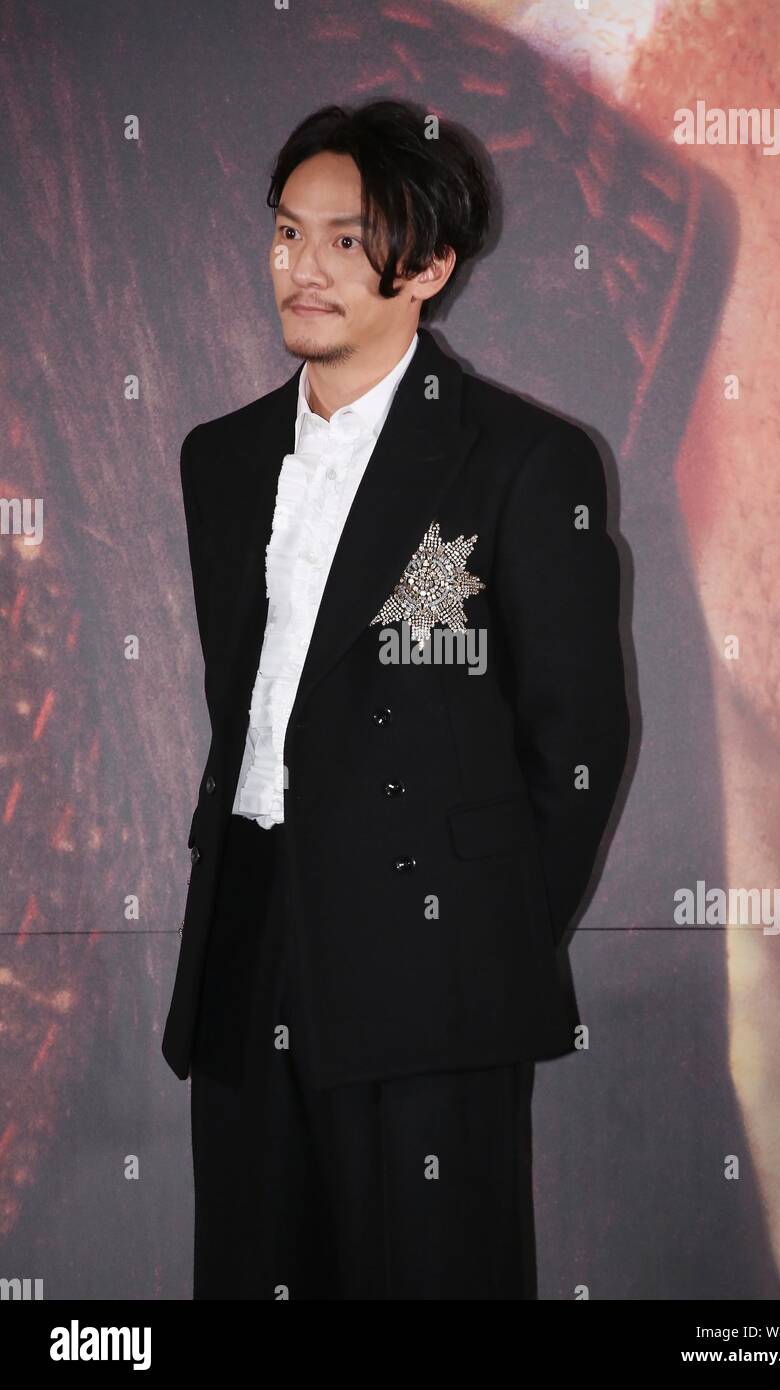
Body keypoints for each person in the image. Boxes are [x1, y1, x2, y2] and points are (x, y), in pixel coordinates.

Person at [162, 97, 630, 1300]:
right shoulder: (218, 458)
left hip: (431, 959)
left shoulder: (521, 460)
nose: (302, 266)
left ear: (425, 266)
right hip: (249, 926)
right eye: (286, 232)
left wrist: (485, 924)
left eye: (343, 238)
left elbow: (576, 735)